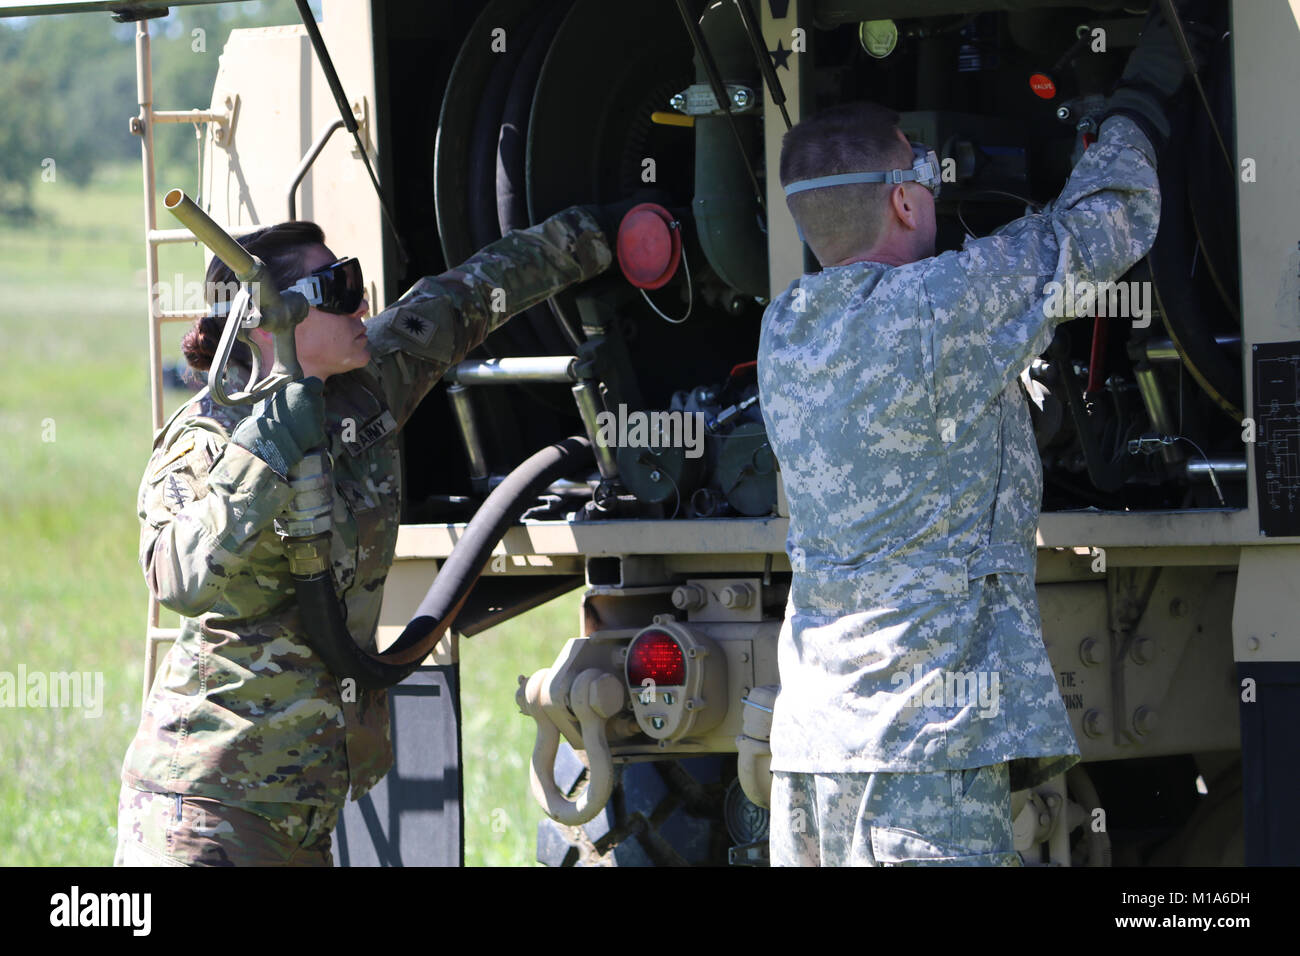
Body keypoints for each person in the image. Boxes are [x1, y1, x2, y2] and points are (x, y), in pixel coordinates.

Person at [757, 4, 1207, 865]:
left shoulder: (786, 331)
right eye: (924, 174)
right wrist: (1144, 90)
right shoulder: (935, 312)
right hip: (923, 752)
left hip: (818, 744)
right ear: (900, 198)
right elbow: (1103, 223)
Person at [113, 205, 616, 865]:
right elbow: (177, 573)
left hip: (302, 815)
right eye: (339, 289)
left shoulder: (364, 386)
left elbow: (460, 299)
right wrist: (262, 453)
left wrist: (594, 234)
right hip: (208, 813)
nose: (361, 305)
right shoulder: (206, 434)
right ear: (270, 322)